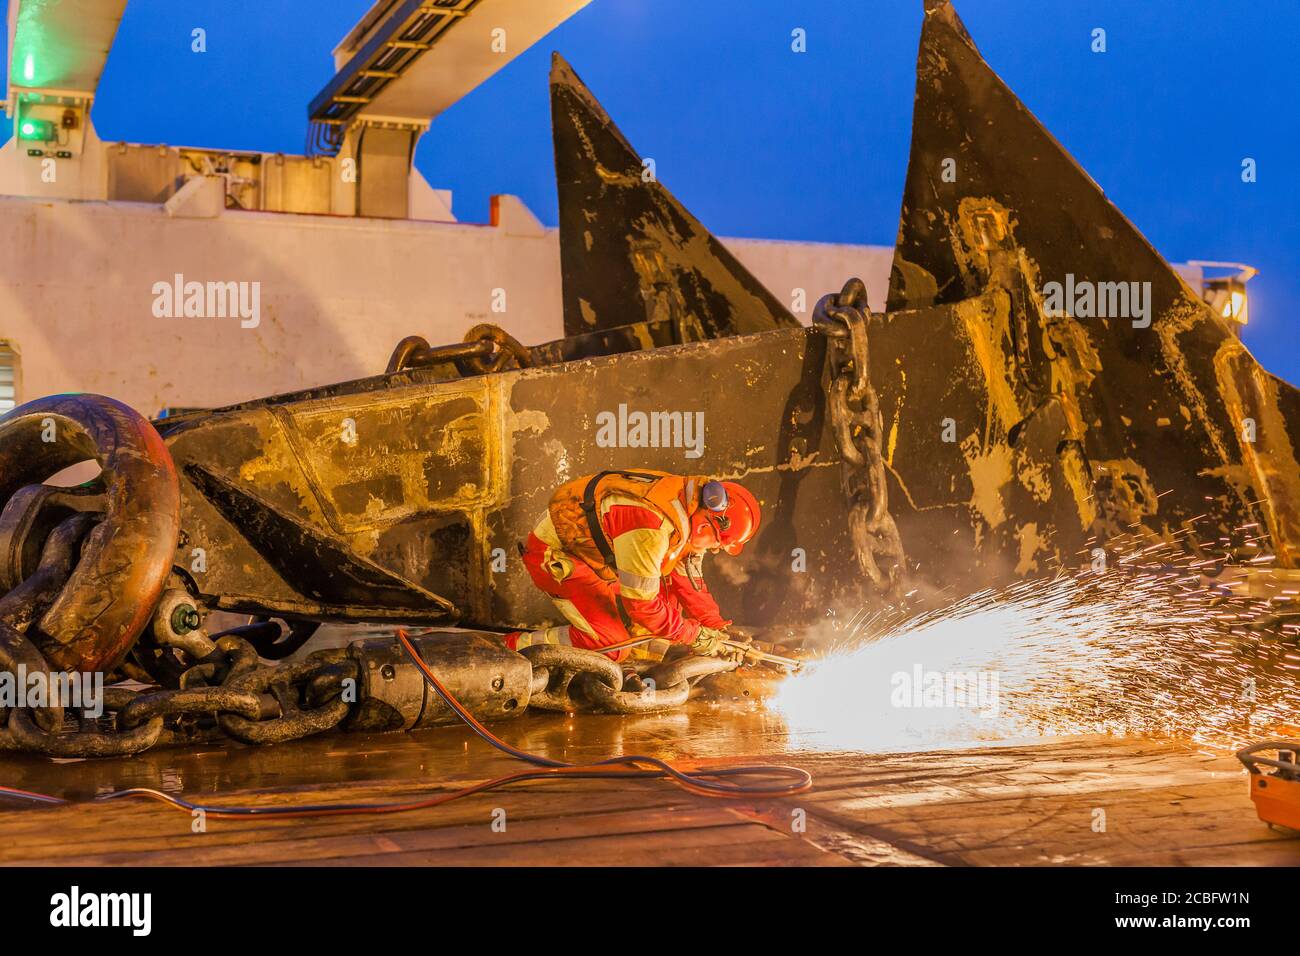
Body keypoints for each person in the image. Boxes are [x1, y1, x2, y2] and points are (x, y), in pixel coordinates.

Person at [506, 470, 760, 662]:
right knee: (612, 645)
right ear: (707, 523)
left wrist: (717, 628)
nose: (715, 549)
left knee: (669, 598)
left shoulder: (689, 506)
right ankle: (514, 647)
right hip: (558, 556)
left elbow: (687, 582)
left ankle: (639, 658)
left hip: (598, 557)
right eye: (717, 542)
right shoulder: (652, 524)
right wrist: (693, 635)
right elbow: (642, 605)